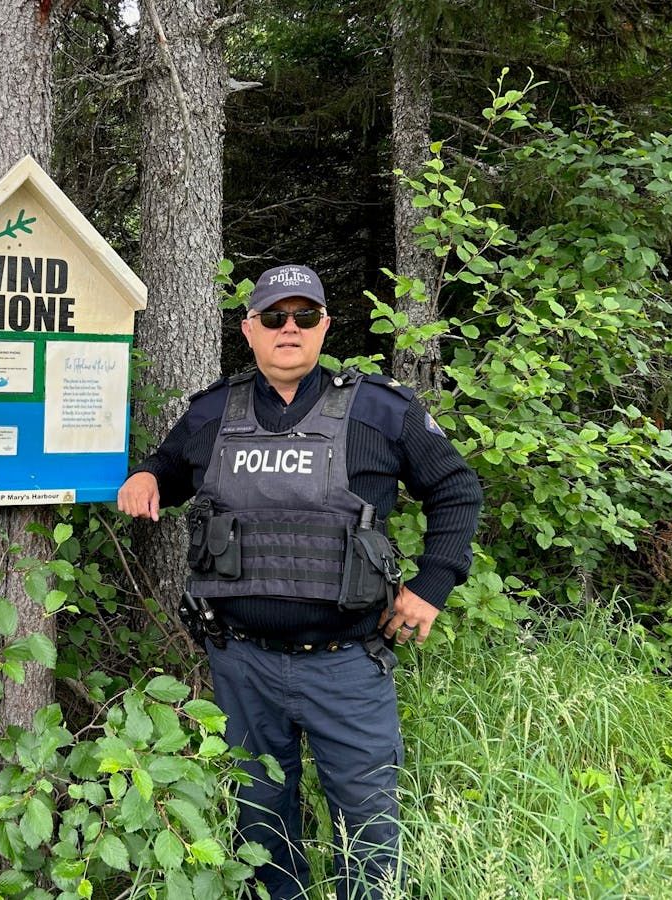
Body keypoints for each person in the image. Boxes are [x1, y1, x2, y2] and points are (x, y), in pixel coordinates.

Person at [118, 264, 482, 899]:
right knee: (258, 822)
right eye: (274, 318)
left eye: (305, 317)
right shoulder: (212, 414)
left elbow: (455, 489)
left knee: (366, 825)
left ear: (323, 327)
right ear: (249, 330)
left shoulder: (377, 409)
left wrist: (431, 587)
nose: (290, 329)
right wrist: (147, 476)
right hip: (241, 665)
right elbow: (169, 468)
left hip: (346, 664)